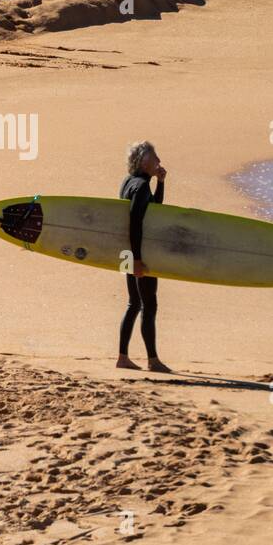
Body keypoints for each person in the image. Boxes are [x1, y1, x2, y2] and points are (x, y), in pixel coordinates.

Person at [116, 140, 172, 373]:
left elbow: (154, 208)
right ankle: (153, 360)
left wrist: (160, 182)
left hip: (126, 252)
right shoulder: (140, 186)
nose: (158, 160)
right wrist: (138, 260)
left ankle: (123, 357)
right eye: (154, 156)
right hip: (139, 252)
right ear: (143, 160)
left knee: (134, 303)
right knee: (149, 305)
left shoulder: (129, 182)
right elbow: (135, 224)